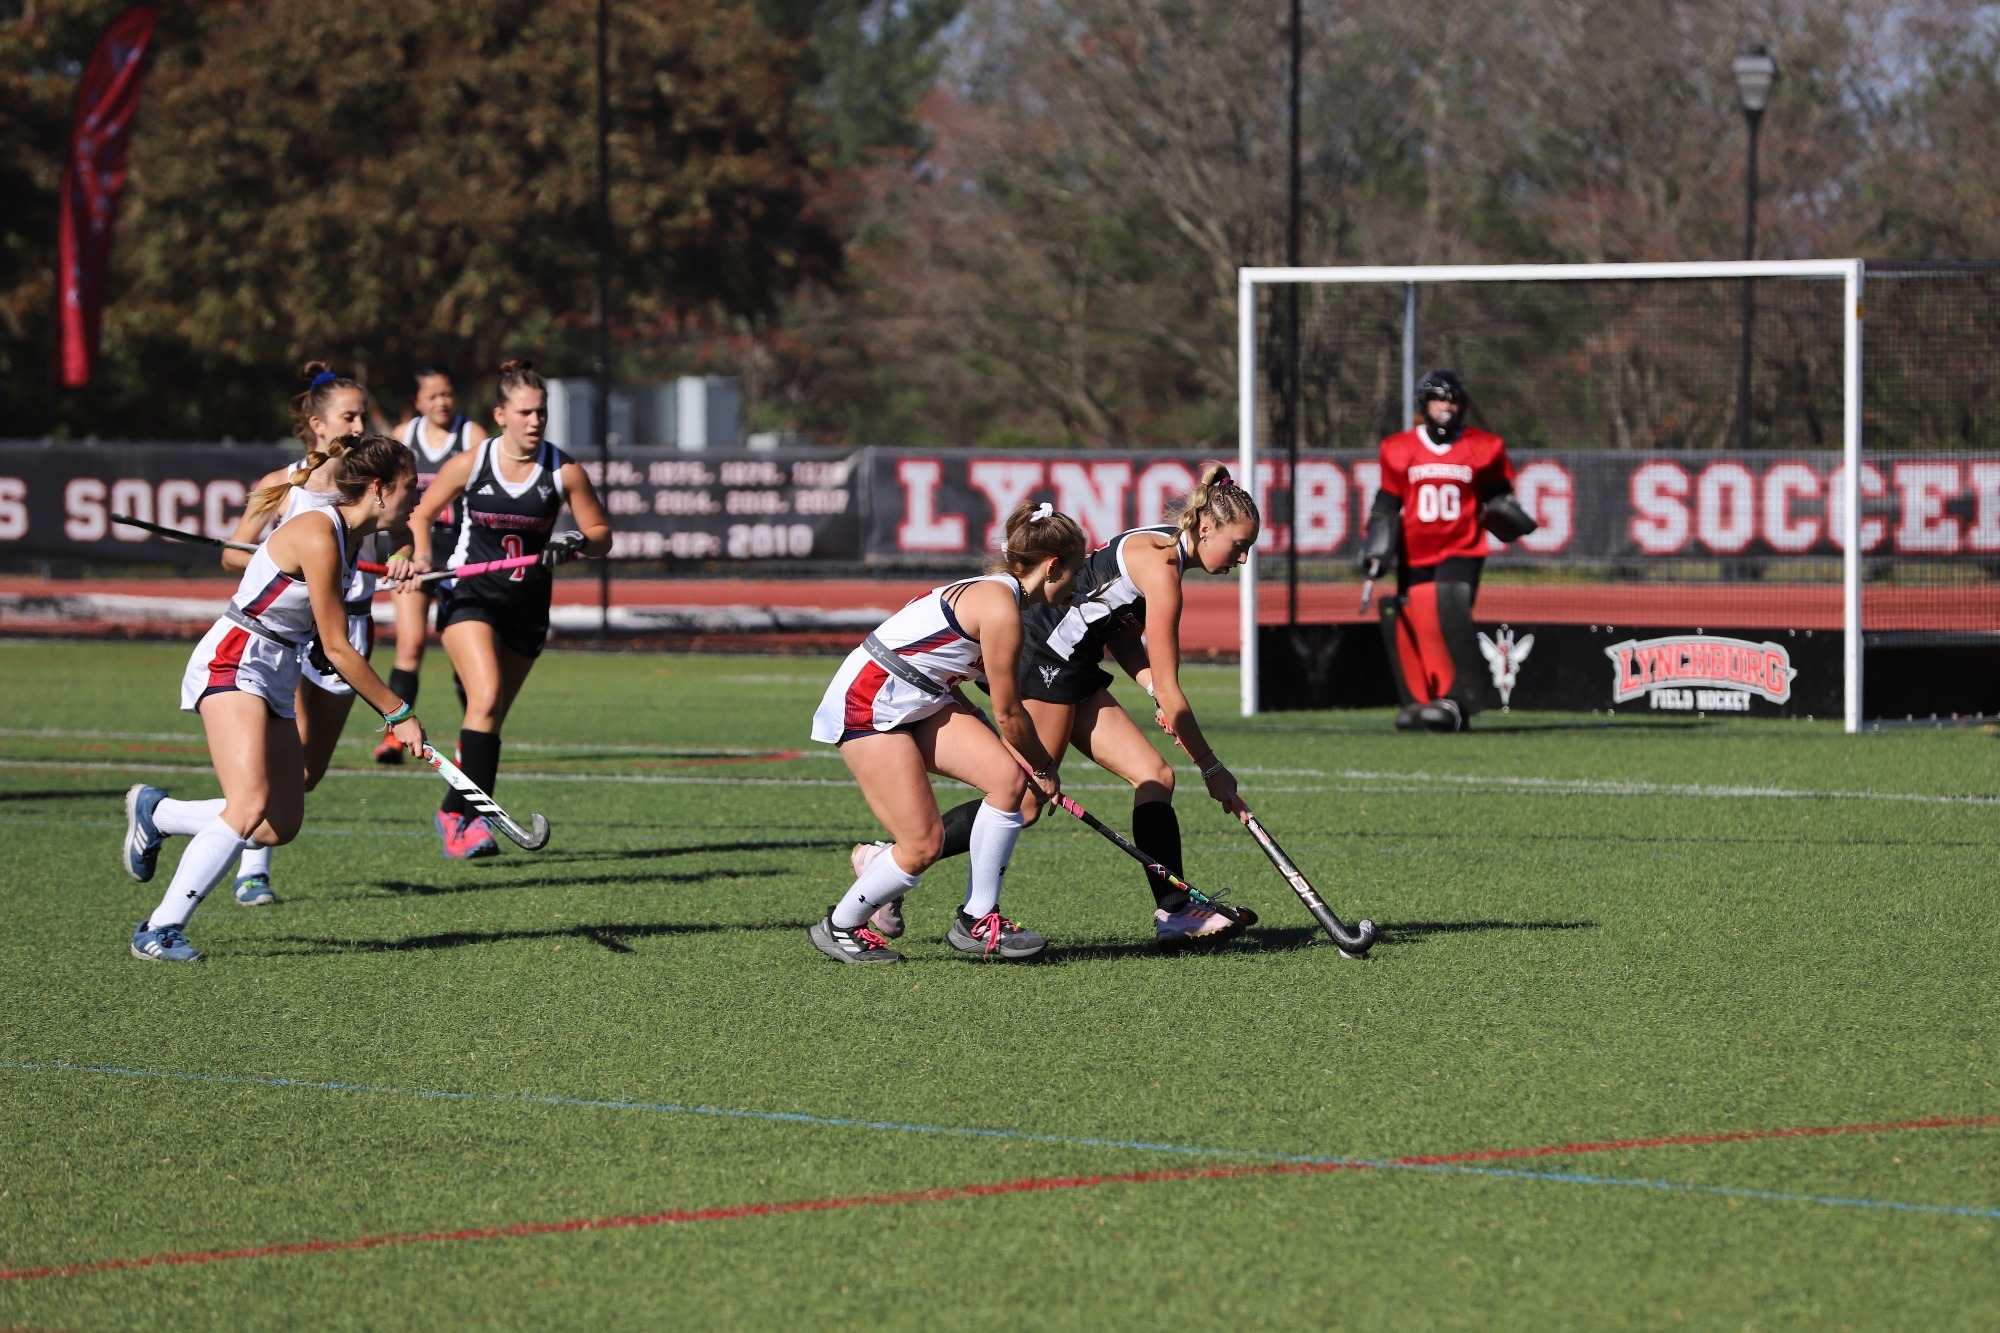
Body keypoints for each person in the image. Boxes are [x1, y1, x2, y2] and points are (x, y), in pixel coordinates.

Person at [854, 464, 1261, 951]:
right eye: (1239, 545)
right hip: (1046, 659)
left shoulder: (1160, 545)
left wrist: (1153, 688)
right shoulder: (1163, 567)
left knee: (1154, 775)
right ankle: (888, 861)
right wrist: (1212, 768)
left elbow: (1120, 633)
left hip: (1077, 663)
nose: (1242, 558)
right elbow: (1173, 689)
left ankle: (1175, 913)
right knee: (1024, 801)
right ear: (1206, 528)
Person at [121, 436, 426, 962]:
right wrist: (398, 712)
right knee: (248, 804)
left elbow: (324, 630)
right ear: (378, 489)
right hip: (236, 658)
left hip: (277, 668)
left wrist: (400, 557)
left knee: (278, 824)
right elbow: (338, 646)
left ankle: (160, 814)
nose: (418, 497)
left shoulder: (352, 536)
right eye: (411, 486)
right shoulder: (320, 533)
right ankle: (159, 929)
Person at [808, 502, 1085, 964]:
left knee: (1007, 782)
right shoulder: (1001, 609)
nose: (1076, 584)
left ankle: (978, 920)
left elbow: (934, 665)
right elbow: (1009, 713)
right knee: (922, 846)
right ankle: (841, 925)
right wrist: (1044, 767)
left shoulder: (997, 595)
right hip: (869, 702)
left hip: (918, 697)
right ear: (1053, 566)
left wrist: (992, 734)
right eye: (1075, 571)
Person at [405, 358, 612, 859]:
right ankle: (468, 820)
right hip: (471, 595)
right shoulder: (473, 463)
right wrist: (423, 555)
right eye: (524, 412)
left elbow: (602, 535)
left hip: (528, 605)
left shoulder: (563, 471)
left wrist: (577, 541)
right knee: (486, 695)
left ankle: (453, 809)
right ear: (500, 415)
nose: (535, 421)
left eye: (540, 412)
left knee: (490, 716)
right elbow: (421, 513)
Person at [209, 364, 396, 907]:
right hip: (291, 633)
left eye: (363, 416)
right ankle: (252, 868)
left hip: (348, 626)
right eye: (349, 416)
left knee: (307, 773)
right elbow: (231, 554)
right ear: (318, 424)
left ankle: (236, 828)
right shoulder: (282, 484)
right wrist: (275, 553)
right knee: (270, 764)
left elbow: (402, 535)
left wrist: (405, 558)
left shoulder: (369, 484)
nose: (359, 426)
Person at [1360, 368, 1537, 733]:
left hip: (1461, 548)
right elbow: (1387, 502)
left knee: (1444, 614)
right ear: (1424, 404)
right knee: (1414, 619)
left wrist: (1508, 514)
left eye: (1454, 400)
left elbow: (1498, 496)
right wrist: (1376, 549)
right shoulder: (1399, 448)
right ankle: (1423, 698)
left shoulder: (1483, 446)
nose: (1447, 407)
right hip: (1415, 551)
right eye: (1440, 400)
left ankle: (1456, 700)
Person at [376, 365, 488, 765]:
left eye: (447, 394)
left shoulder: (471, 436)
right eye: (432, 396)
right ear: (418, 401)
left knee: (464, 655)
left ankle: (471, 740)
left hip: (459, 558)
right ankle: (394, 736)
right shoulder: (405, 435)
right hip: (414, 555)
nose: (442, 402)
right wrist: (409, 552)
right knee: (409, 645)